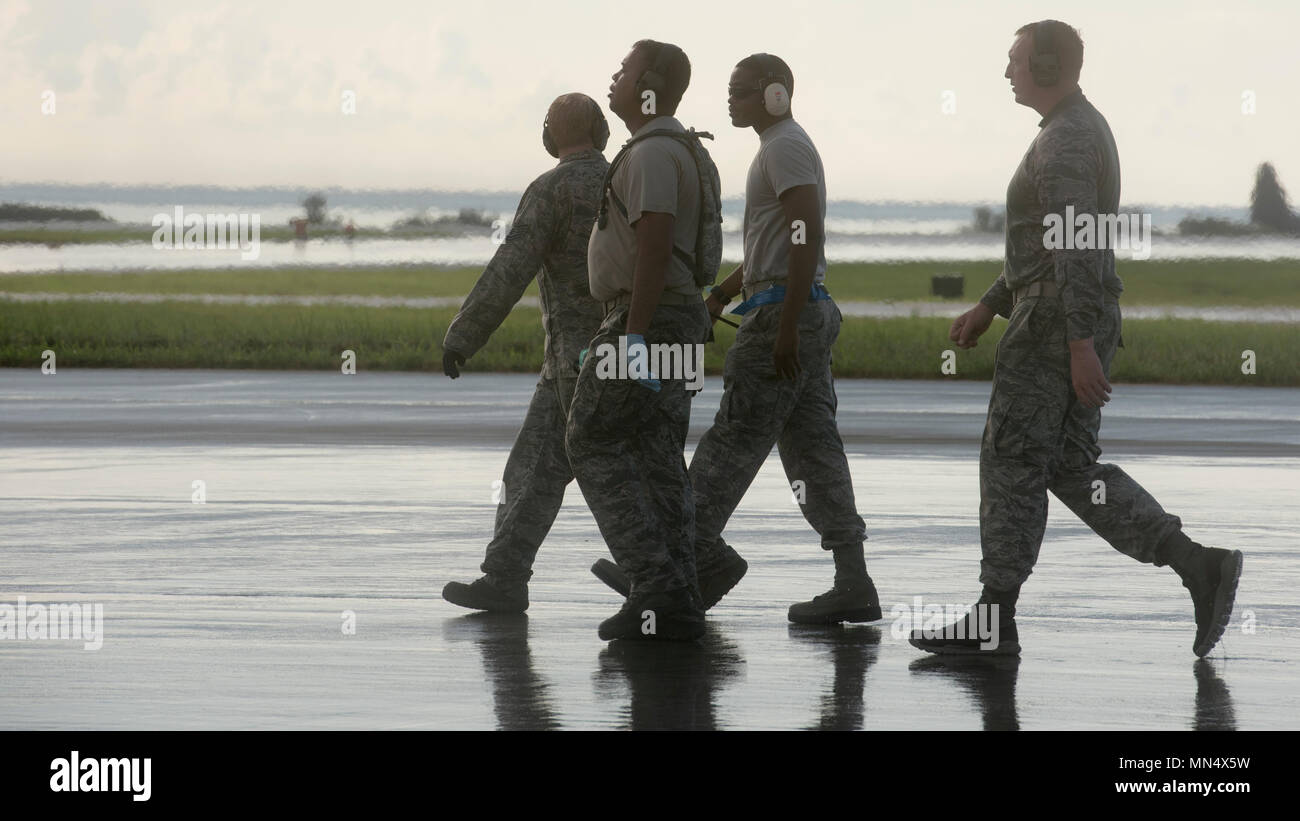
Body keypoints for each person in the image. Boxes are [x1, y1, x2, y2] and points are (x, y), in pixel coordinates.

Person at [910, 20, 1242, 656]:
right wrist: (990, 302)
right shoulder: (1074, 128)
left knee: (1011, 459)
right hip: (1061, 315)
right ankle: (1196, 564)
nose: (1006, 72)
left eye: (1014, 60)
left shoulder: (1064, 139)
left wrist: (1078, 342)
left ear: (1046, 61)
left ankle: (993, 620)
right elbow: (1048, 245)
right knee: (1068, 465)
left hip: (1055, 326)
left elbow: (1075, 248)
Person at [593, 53, 881, 623]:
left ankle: (669, 568)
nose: (730, 101)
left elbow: (805, 234)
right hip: (787, 307)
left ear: (775, 95)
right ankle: (854, 581)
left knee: (728, 448)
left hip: (782, 315)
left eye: (741, 92)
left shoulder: (784, 148)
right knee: (815, 453)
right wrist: (725, 293)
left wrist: (786, 323)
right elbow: (770, 247)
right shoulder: (777, 148)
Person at [566, 39, 715, 641]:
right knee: (657, 455)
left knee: (589, 438)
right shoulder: (682, 148)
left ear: (648, 83)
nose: (614, 77)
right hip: (676, 319)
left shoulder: (653, 152)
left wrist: (632, 336)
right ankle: (680, 590)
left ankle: (655, 584)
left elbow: (654, 245)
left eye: (625, 69)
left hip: (645, 319)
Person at [441, 93, 610, 613]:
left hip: (571, 361)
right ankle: (505, 576)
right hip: (627, 350)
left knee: (596, 475)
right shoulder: (625, 177)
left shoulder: (551, 189)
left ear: (550, 135)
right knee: (537, 467)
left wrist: (463, 335)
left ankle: (671, 574)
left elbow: (511, 266)